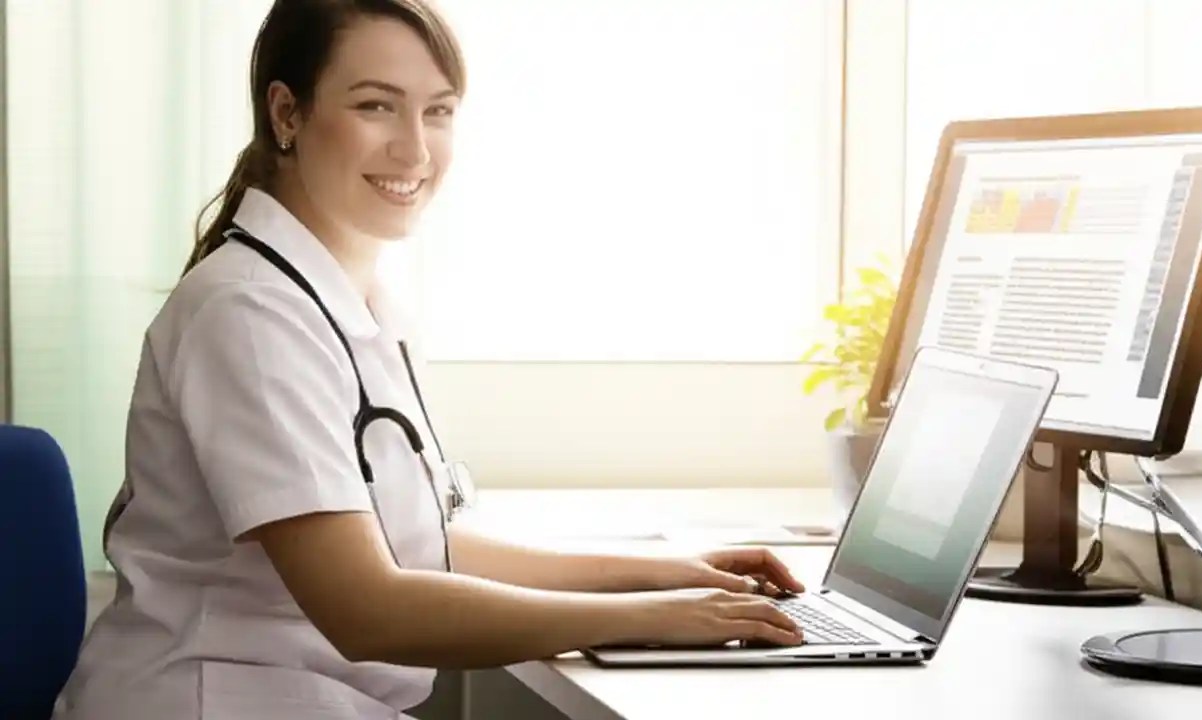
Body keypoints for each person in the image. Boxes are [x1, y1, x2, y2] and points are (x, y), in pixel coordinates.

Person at [55, 1, 805, 718]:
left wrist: (670, 577)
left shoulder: (353, 299)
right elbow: (366, 608)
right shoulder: (248, 313)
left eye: (438, 110)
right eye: (376, 106)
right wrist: (652, 619)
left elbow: (419, 547)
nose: (414, 149)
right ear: (288, 113)